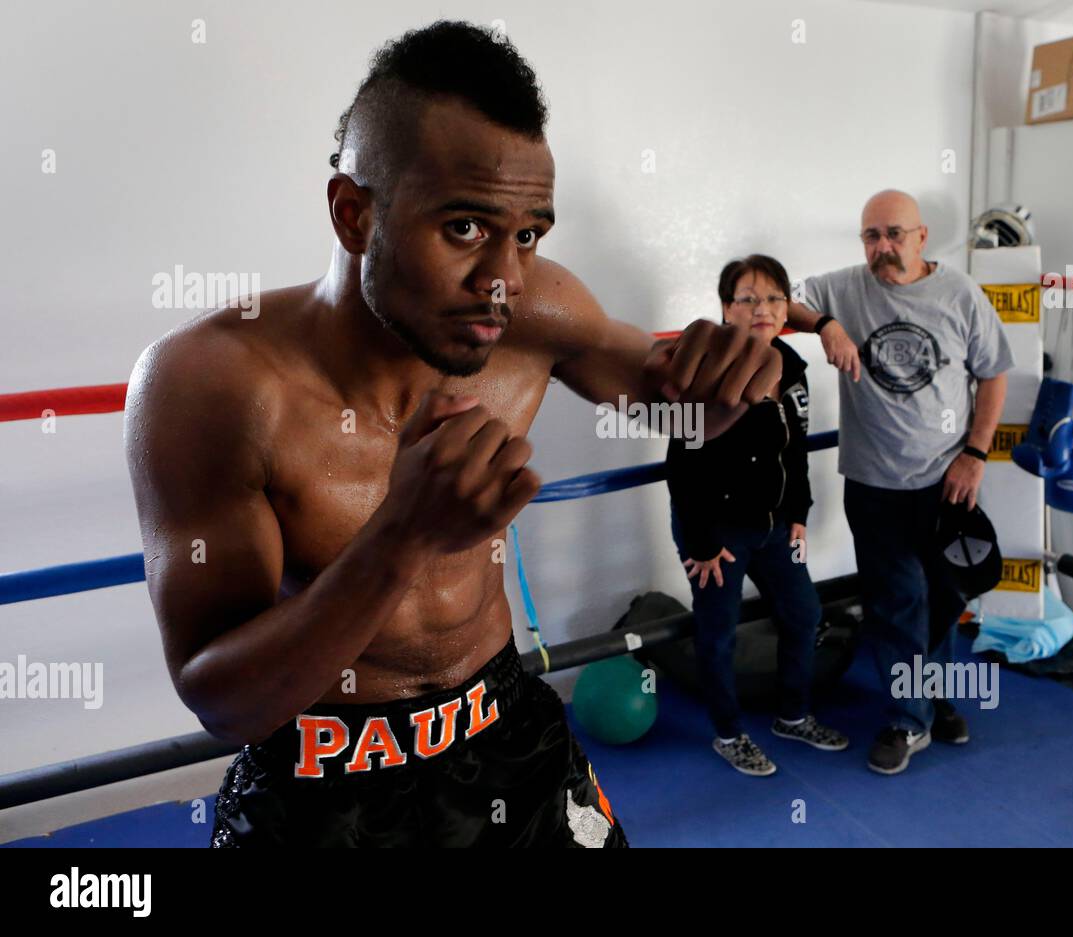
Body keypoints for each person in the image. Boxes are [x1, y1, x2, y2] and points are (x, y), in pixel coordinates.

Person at [124, 21, 781, 847]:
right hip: (327, 773)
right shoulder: (211, 385)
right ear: (354, 213)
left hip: (500, 724)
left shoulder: (535, 308)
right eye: (465, 228)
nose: (503, 280)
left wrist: (729, 386)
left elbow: (673, 402)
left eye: (529, 234)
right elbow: (224, 703)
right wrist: (399, 537)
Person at [785, 190, 1013, 775]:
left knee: (943, 600)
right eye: (871, 236)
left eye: (893, 234)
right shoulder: (844, 287)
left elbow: (993, 376)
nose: (882, 247)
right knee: (897, 603)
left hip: (948, 481)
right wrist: (828, 325)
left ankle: (933, 699)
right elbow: (781, 302)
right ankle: (908, 721)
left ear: (921, 236)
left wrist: (976, 453)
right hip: (874, 483)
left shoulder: (959, 293)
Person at [666, 255, 848, 776]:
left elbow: (796, 451)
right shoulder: (704, 366)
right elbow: (681, 462)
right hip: (716, 532)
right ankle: (729, 733)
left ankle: (792, 716)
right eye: (747, 298)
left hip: (774, 526)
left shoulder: (791, 367)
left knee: (804, 614)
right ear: (727, 308)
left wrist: (799, 514)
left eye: (773, 298)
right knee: (718, 631)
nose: (762, 309)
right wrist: (700, 542)